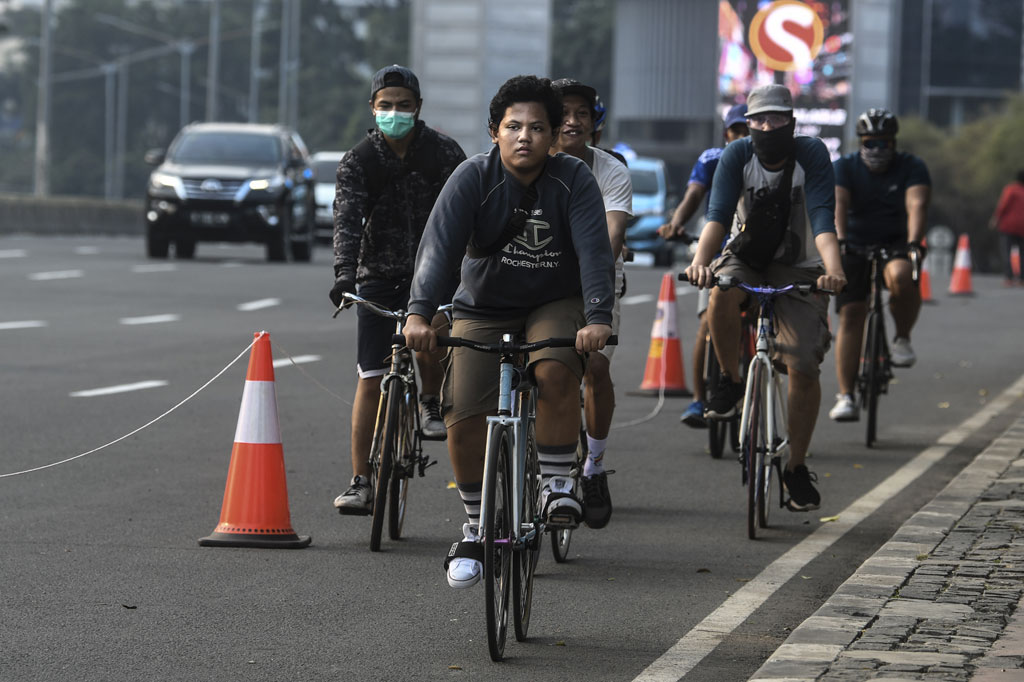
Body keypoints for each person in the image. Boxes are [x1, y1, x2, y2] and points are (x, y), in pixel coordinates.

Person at [402, 75, 614, 588]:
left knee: (554, 367)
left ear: (553, 135)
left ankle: (559, 482)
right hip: (483, 306)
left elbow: (593, 251)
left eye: (537, 127)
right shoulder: (471, 178)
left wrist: (598, 317)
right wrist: (418, 313)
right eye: (513, 126)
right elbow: (438, 252)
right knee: (463, 408)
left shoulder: (573, 180)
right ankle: (475, 525)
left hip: (553, 302)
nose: (525, 136)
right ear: (494, 131)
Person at [683, 84, 846, 512]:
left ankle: (794, 466)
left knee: (803, 363)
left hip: (802, 265)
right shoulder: (738, 156)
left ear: (791, 122)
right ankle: (730, 384)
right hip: (747, 256)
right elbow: (717, 216)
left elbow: (822, 217)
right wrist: (702, 262)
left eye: (776, 119)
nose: (767, 127)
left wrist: (834, 269)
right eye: (759, 120)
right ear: (748, 124)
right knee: (721, 294)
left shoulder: (810, 154)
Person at [329, 64, 467, 515]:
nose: (394, 113)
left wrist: (467, 273)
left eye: (403, 106)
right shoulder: (360, 161)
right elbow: (347, 220)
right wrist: (344, 274)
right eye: (385, 106)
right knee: (371, 378)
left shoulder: (445, 155)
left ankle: (430, 402)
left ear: (418, 108)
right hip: (376, 277)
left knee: (428, 341)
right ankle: (359, 480)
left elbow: (467, 217)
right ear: (373, 108)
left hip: (434, 276)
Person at [548, 77, 632, 530]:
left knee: (594, 366)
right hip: (536, 283)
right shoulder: (529, 161)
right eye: (564, 112)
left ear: (594, 122)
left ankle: (594, 468)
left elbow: (612, 237)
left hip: (595, 282)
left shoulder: (611, 169)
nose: (572, 120)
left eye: (582, 113)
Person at [828, 109, 931, 422]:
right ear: (861, 142)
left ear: (893, 143)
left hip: (897, 242)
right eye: (870, 143)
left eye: (884, 144)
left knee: (902, 275)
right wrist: (841, 241)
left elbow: (917, 204)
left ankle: (902, 339)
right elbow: (838, 205)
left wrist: (914, 242)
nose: (877, 150)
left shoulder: (912, 167)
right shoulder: (844, 167)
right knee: (851, 313)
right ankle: (846, 395)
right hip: (853, 242)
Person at [658, 104, 750, 428]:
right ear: (727, 134)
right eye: (736, 132)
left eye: (747, 131)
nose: (742, 138)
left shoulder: (768, 161)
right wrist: (676, 222)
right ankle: (699, 399)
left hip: (756, 255)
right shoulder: (713, 159)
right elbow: (694, 195)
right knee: (708, 323)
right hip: (716, 252)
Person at [989, 170, 1024, 287]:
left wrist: (995, 219)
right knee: (1022, 253)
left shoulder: (1011, 189)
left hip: (1008, 226)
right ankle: (1021, 279)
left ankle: (1009, 278)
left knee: (1006, 251)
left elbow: (1003, 205)